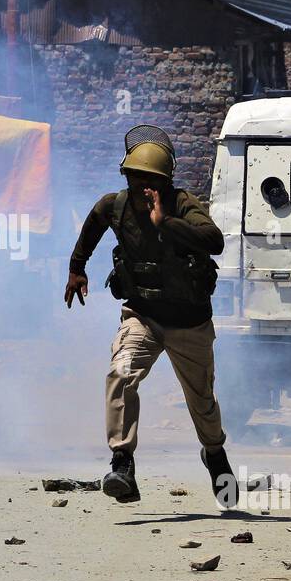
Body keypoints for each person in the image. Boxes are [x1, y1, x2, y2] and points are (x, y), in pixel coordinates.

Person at [64, 127, 237, 508]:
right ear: (126, 177)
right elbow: (92, 226)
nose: (144, 188)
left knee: (202, 402)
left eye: (151, 181)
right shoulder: (115, 205)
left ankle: (215, 455)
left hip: (189, 322)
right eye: (136, 178)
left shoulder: (183, 204)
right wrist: (77, 268)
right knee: (120, 373)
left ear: (165, 182)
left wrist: (166, 225)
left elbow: (215, 241)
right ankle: (122, 464)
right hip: (142, 316)